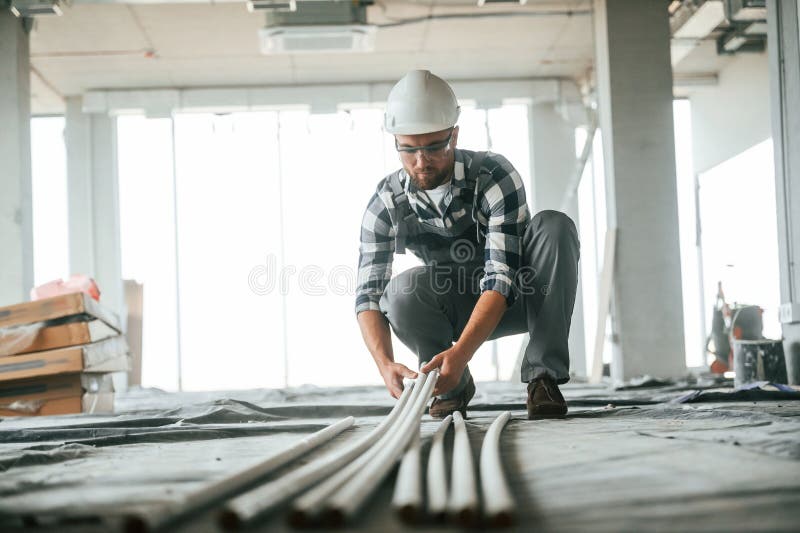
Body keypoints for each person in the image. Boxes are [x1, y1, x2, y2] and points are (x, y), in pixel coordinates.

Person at [355, 70, 580, 420]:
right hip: (454, 306)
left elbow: (500, 277)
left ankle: (543, 378)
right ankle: (449, 385)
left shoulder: (493, 176)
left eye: (433, 147)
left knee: (553, 226)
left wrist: (461, 354)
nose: (421, 161)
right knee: (400, 293)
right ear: (396, 142)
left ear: (454, 135)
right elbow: (368, 294)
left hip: (523, 296)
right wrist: (385, 365)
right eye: (409, 149)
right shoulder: (386, 203)